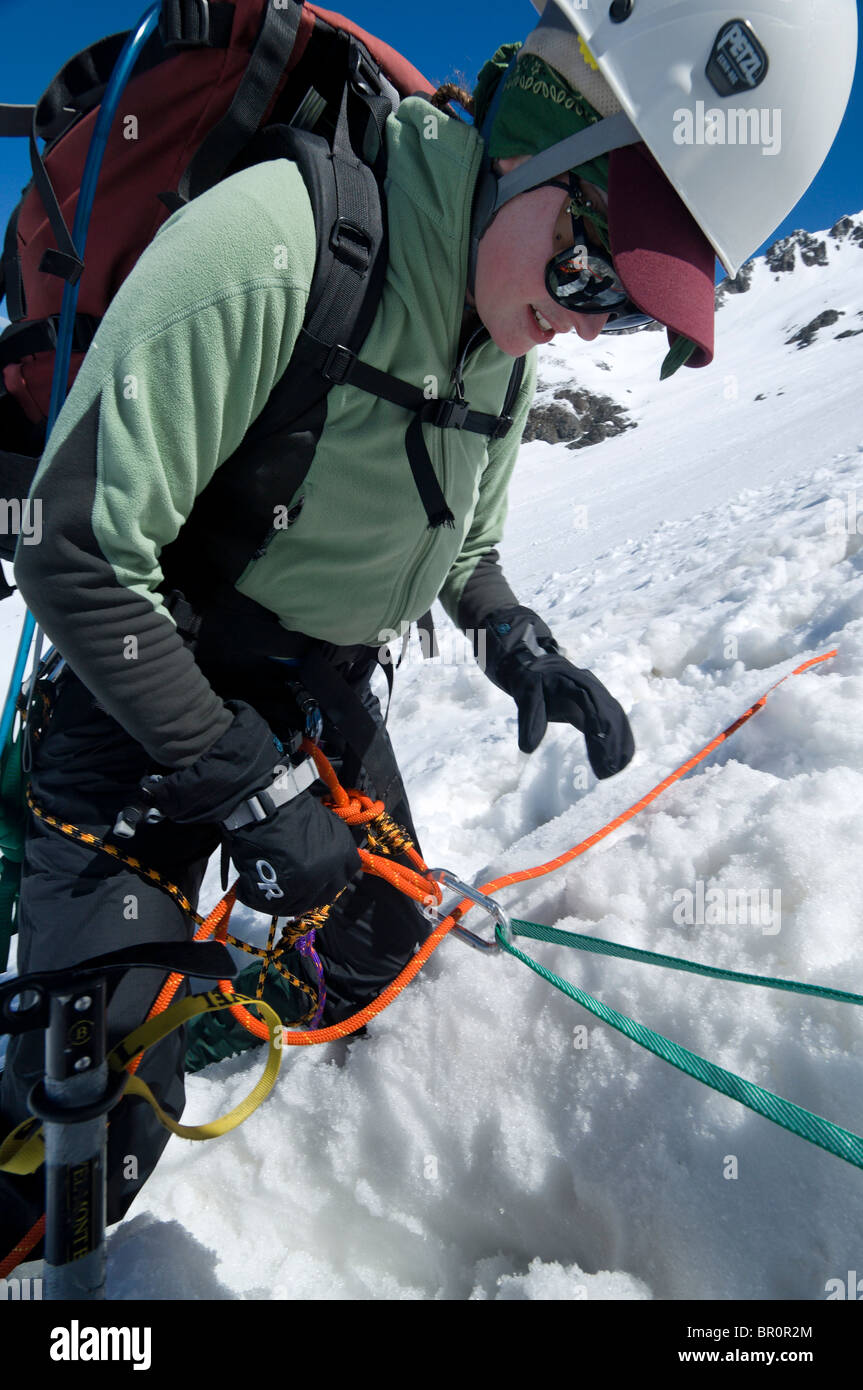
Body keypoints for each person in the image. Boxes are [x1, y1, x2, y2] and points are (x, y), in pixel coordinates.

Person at [0, 0, 855, 1261]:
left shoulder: (500, 341)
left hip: (316, 694)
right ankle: (137, 1027)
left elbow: (463, 540)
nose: (585, 318)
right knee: (81, 1131)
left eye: (621, 309)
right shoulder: (278, 244)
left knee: (386, 947)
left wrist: (512, 635)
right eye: (587, 269)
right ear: (534, 140)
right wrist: (245, 788)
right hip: (145, 696)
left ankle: (228, 1003)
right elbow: (69, 545)